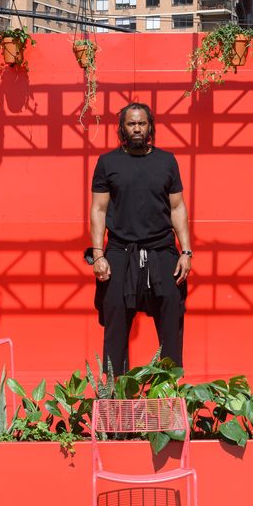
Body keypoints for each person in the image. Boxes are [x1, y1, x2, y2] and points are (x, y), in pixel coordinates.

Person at [87, 102, 192, 375]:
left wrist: (186, 252)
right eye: (131, 123)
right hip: (121, 252)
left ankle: (167, 395)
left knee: (172, 324)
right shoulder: (108, 163)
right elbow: (98, 209)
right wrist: (98, 255)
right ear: (122, 128)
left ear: (150, 127)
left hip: (163, 251)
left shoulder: (167, 161)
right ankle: (115, 401)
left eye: (141, 123)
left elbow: (178, 207)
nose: (136, 128)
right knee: (116, 328)